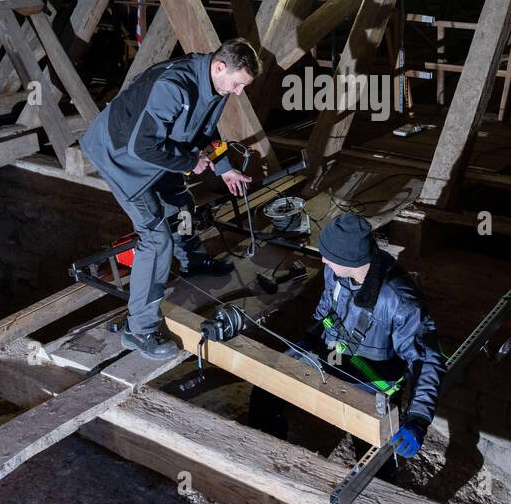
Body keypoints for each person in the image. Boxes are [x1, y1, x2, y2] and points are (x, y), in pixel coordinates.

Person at [80, 39, 258, 360]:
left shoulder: (216, 87)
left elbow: (209, 132)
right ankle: (139, 329)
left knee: (179, 201)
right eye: (238, 84)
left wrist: (225, 168)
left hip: (156, 151)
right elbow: (140, 148)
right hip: (121, 158)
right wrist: (190, 163)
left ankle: (192, 260)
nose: (239, 92)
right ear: (220, 67)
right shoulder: (173, 87)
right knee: (156, 239)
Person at [249, 212, 446, 465]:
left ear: (350, 259)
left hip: (371, 378)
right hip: (329, 355)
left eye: (328, 256)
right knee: (265, 387)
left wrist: (418, 417)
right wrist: (306, 344)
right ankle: (261, 454)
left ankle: (381, 484)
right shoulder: (336, 273)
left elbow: (427, 359)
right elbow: (324, 314)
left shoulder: (400, 302)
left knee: (375, 449)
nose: (322, 260)